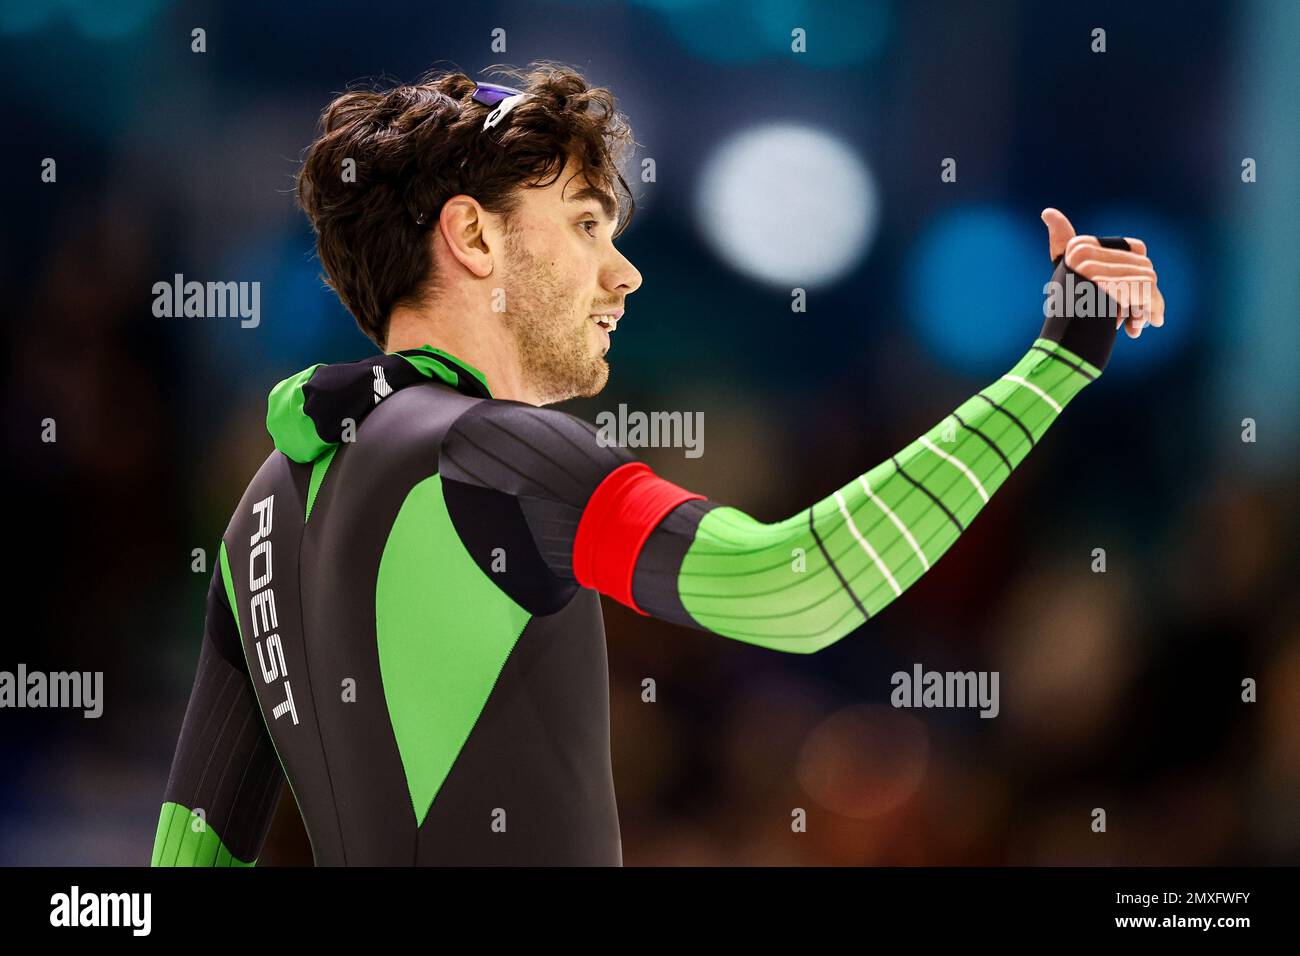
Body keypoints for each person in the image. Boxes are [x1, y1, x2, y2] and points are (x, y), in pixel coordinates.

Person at [151, 63, 1165, 866]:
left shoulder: (270, 499)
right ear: (471, 236)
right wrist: (1058, 363)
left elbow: (192, 842)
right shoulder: (496, 453)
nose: (622, 271)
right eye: (585, 223)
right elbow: (795, 586)